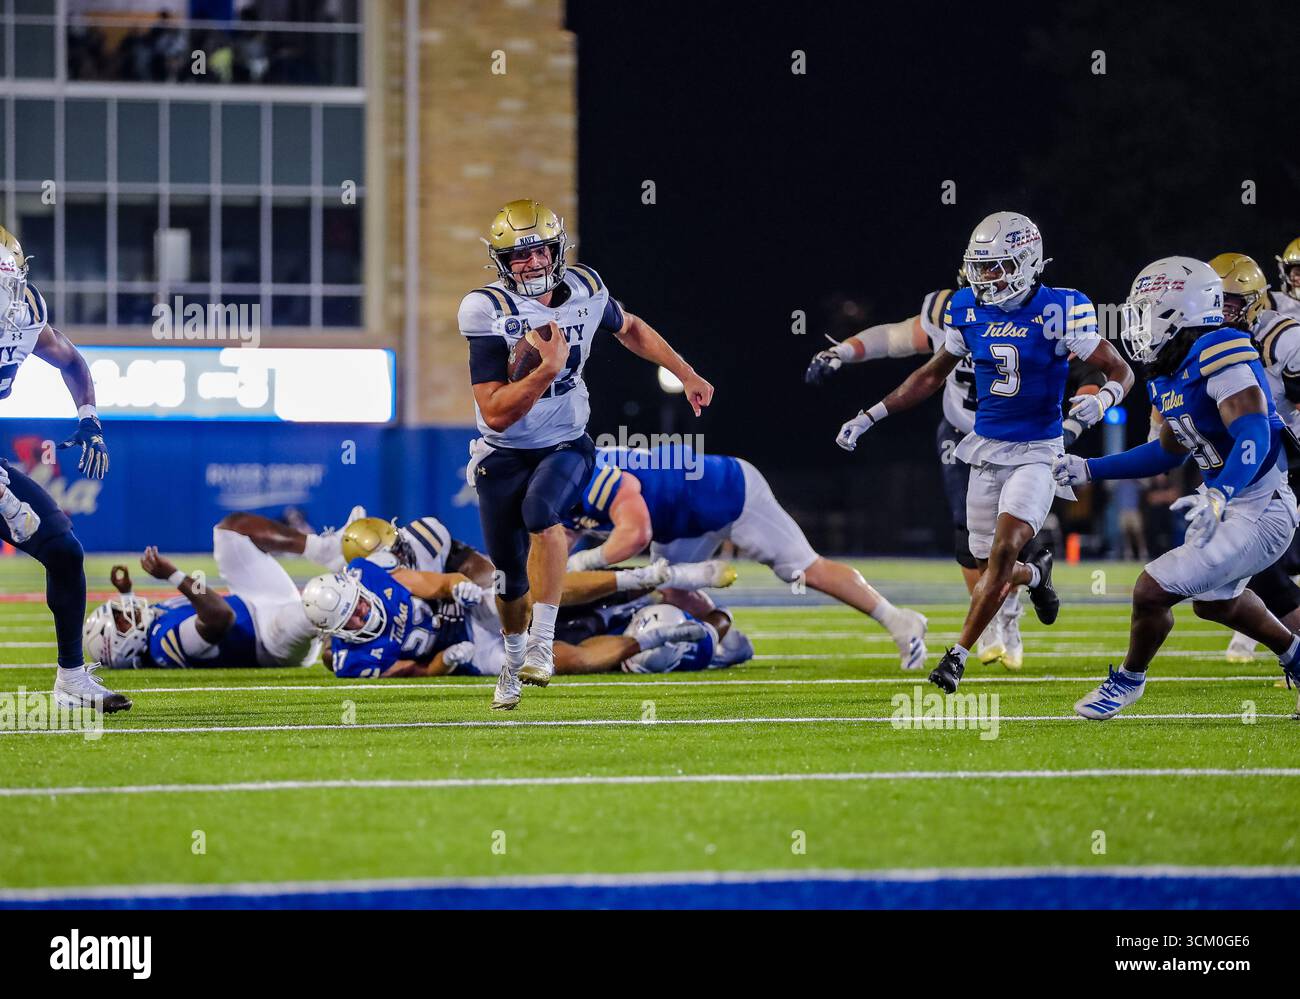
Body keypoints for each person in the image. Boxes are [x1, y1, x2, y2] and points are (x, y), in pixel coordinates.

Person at [835, 211, 1134, 693]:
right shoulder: (965, 308)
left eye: (996, 266)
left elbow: (1121, 370)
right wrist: (872, 414)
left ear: (1028, 261)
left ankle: (956, 656)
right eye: (980, 266)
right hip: (984, 450)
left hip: (1038, 450)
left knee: (1000, 550)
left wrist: (1100, 401)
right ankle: (1036, 575)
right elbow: (931, 375)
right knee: (982, 559)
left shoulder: (1061, 308)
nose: (985, 277)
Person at [459, 198, 712, 707]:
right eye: (518, 257)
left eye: (539, 253)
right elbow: (495, 412)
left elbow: (631, 327)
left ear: (557, 250)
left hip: (568, 443)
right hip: (502, 451)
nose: (530, 265)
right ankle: (512, 660)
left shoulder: (587, 287)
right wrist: (545, 371)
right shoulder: (487, 308)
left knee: (542, 513)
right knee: (508, 576)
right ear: (500, 262)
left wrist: (686, 373)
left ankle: (543, 644)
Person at [1055, 257, 1300, 718]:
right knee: (1215, 605)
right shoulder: (1167, 370)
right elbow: (1168, 452)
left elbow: (1255, 434)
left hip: (1261, 504)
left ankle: (1127, 682)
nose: (1138, 321)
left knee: (1151, 589)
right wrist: (1090, 469)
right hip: (1231, 505)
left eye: (1148, 310)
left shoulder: (1219, 346)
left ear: (1180, 311)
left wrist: (1220, 492)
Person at [565, 444, 927, 669]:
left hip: (732, 494)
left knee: (805, 570)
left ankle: (898, 620)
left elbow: (636, 533)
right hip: (682, 525)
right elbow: (556, 549)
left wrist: (586, 562)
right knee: (673, 592)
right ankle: (725, 638)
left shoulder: (589, 474)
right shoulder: (558, 490)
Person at [0, 226, 127, 712]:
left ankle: (71, 679)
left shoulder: (25, 314)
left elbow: (69, 359)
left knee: (63, 550)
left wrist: (88, 418)